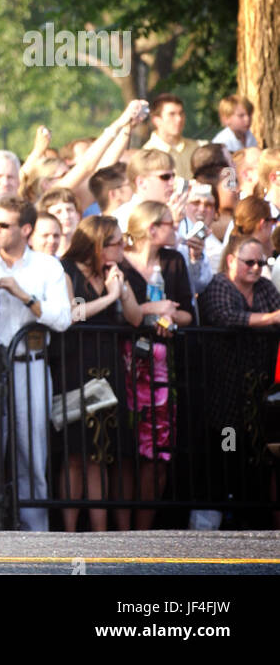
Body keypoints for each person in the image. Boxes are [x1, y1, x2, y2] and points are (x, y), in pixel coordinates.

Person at [0, 195, 71, 531]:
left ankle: (36, 535)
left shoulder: (48, 266)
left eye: (4, 225)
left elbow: (62, 319)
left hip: (29, 364)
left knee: (32, 451)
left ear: (26, 229)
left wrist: (24, 296)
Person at [50, 216, 134, 532]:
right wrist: (109, 298)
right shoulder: (66, 269)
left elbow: (135, 317)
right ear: (98, 244)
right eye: (116, 242)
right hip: (74, 366)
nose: (122, 248)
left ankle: (101, 536)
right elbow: (72, 313)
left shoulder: (114, 273)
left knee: (100, 454)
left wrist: (122, 291)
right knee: (75, 454)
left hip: (108, 366)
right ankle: (69, 534)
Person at [117, 200, 194, 530]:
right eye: (170, 224)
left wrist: (171, 314)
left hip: (164, 371)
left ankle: (144, 533)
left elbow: (189, 313)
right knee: (126, 451)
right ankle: (120, 535)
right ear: (151, 228)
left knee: (160, 450)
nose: (174, 229)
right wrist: (153, 306)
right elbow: (115, 313)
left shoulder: (174, 261)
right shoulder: (118, 262)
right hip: (125, 367)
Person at [197, 235, 280, 522]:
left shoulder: (266, 288)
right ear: (232, 260)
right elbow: (224, 317)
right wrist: (268, 319)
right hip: (226, 396)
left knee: (257, 457)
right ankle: (225, 517)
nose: (256, 268)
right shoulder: (220, 285)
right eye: (249, 262)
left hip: (258, 394)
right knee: (227, 452)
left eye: (261, 262)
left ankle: (253, 517)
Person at [143, 93, 204, 180]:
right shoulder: (147, 154)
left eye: (181, 113)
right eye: (172, 114)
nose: (179, 119)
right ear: (157, 120)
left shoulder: (196, 148)